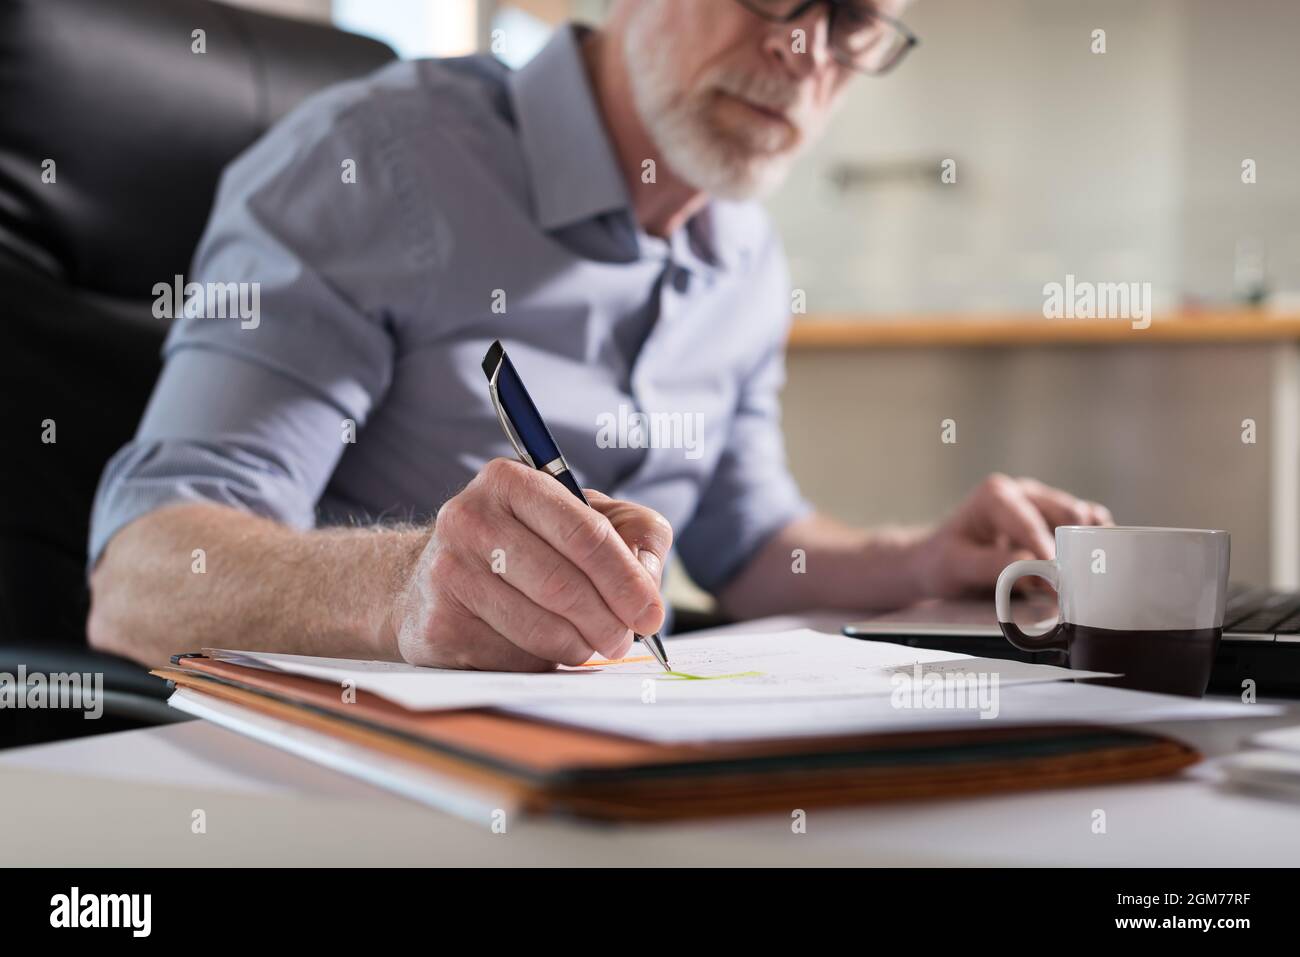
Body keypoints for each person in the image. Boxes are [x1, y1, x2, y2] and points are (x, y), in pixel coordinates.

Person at [88, 0, 1110, 670]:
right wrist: (402, 592)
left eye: (852, 20)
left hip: (616, 755)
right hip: (368, 773)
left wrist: (922, 557)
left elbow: (749, 543)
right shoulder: (371, 165)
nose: (804, 53)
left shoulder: (744, 251)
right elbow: (140, 580)